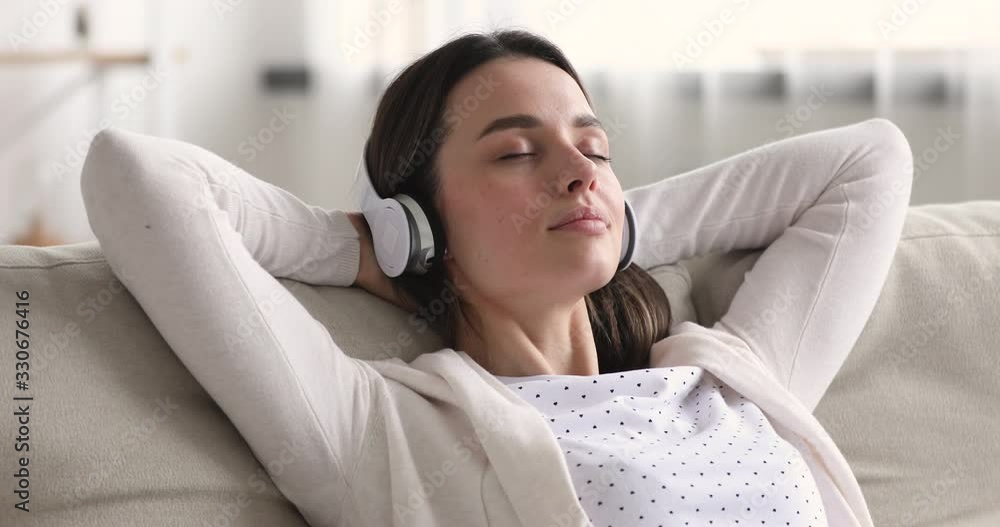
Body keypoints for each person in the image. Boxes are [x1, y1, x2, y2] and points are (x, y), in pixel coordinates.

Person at [80, 29, 912, 527]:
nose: (579, 170)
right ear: (420, 214)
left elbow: (871, 159)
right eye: (517, 152)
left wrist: (611, 225)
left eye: (595, 147)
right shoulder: (382, 432)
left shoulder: (728, 378)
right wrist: (380, 247)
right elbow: (138, 178)